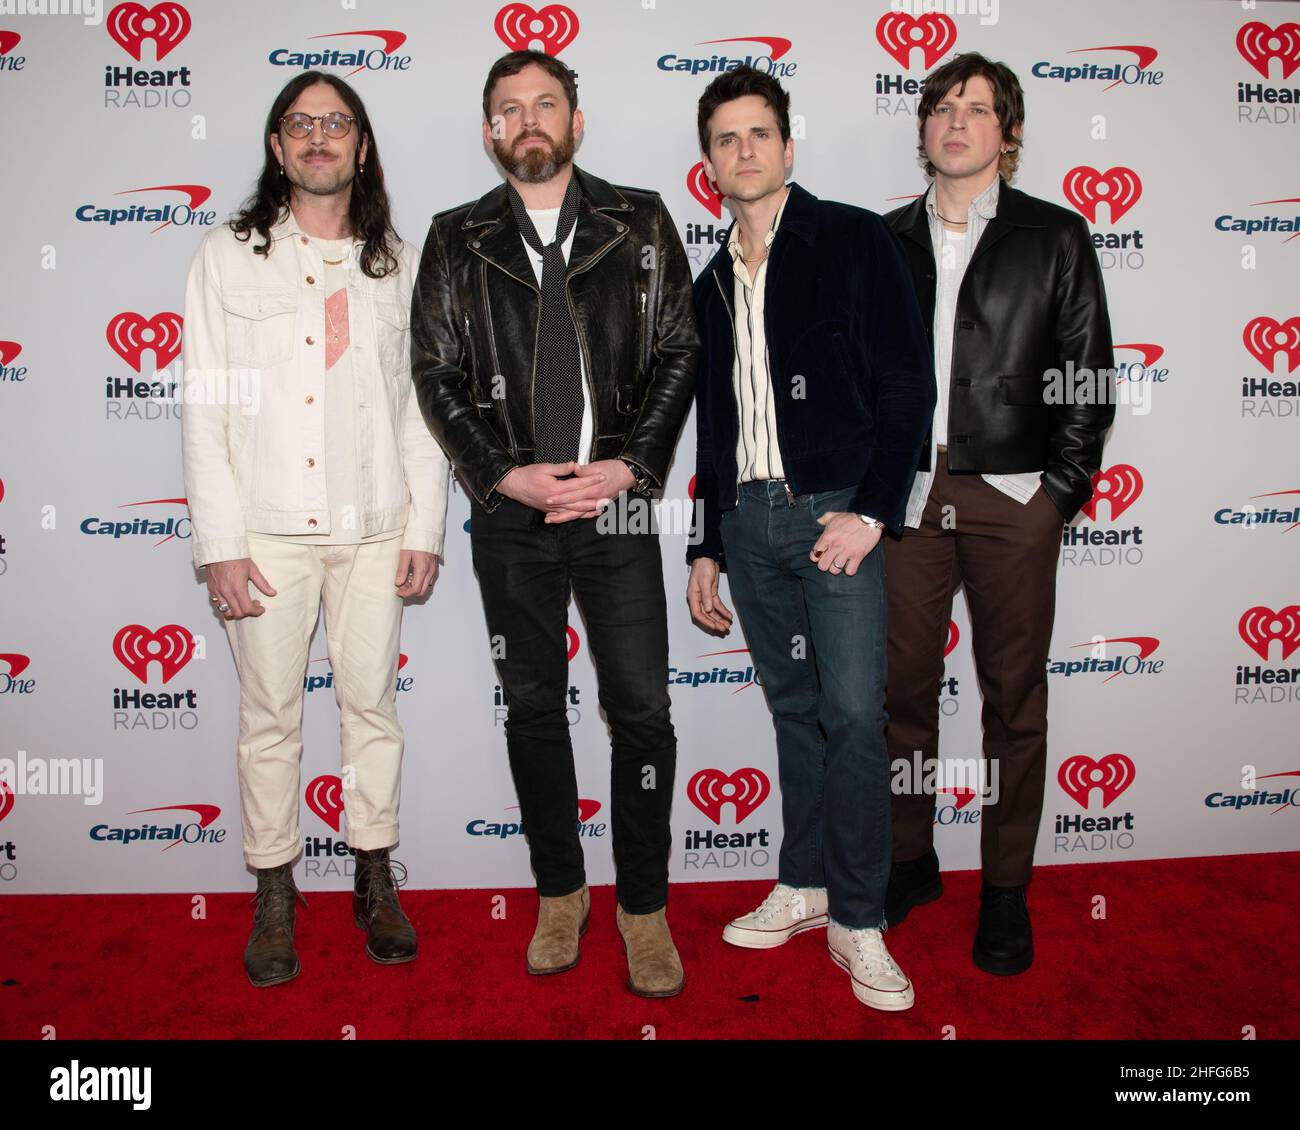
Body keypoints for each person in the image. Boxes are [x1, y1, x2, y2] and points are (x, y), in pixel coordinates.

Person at [410, 51, 698, 997]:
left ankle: (645, 906)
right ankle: (561, 893)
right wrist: (502, 476)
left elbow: (678, 351)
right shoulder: (456, 238)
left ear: (578, 121)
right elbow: (437, 376)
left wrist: (631, 465)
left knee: (642, 712)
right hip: (510, 514)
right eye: (509, 109)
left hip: (613, 504)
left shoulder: (640, 220)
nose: (528, 121)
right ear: (490, 132)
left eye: (545, 105)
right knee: (533, 707)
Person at [182, 71, 449, 987]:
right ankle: (274, 889)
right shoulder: (229, 254)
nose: (320, 138)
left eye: (337, 123)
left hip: (376, 530)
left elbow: (422, 409)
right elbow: (204, 408)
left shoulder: (401, 262)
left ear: (362, 146)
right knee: (270, 720)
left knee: (372, 709)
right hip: (265, 537)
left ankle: (374, 876)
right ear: (276, 145)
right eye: (301, 124)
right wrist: (218, 544)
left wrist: (425, 528)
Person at [685, 67, 935, 1011]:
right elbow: (712, 425)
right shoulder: (711, 280)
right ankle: (805, 883)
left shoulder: (853, 241)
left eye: (759, 135)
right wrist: (705, 543)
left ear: (789, 148)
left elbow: (909, 385)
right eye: (725, 140)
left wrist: (871, 512)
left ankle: (859, 920)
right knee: (794, 712)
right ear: (708, 165)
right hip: (750, 523)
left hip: (836, 515)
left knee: (857, 717)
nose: (743, 152)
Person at [882, 52, 1114, 975]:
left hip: (1016, 495)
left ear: (1007, 134)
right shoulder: (886, 239)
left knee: (1012, 703)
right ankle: (911, 860)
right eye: (941, 108)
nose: (955, 122)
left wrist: (1059, 494)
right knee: (900, 698)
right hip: (905, 497)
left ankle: (1008, 889)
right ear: (923, 130)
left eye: (976, 109)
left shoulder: (1055, 236)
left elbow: (1087, 377)